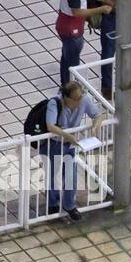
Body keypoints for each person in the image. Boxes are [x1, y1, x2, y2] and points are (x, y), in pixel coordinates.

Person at [42, 82, 104, 221]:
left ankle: (69, 205)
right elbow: (50, 126)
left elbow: (98, 115)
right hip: (53, 144)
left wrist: (95, 127)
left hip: (69, 145)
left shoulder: (84, 100)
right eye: (75, 99)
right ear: (66, 97)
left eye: (80, 97)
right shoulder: (55, 103)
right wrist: (68, 136)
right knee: (51, 174)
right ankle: (52, 203)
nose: (78, 101)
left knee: (71, 175)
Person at [57, 0, 111, 90]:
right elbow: (76, 11)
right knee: (72, 61)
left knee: (67, 55)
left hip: (70, 24)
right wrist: (101, 9)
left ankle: (66, 84)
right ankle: (70, 88)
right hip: (70, 25)